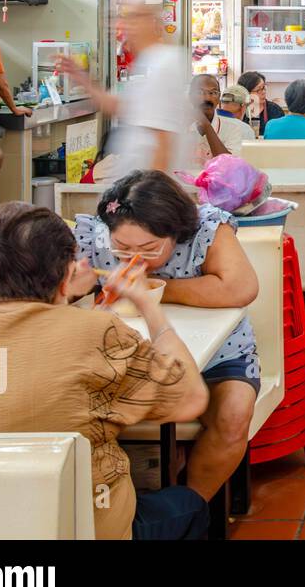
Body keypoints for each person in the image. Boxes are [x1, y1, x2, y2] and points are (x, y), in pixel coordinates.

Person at [0, 202, 211, 540]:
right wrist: (147, 307)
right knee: (188, 505)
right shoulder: (95, 332)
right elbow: (189, 399)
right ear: (66, 277)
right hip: (81, 527)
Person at [74, 170, 260, 505]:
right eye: (121, 248)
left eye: (148, 249)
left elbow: (240, 287)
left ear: (177, 232)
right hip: (121, 357)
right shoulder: (91, 236)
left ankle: (187, 507)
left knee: (232, 415)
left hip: (219, 353)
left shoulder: (207, 230)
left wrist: (154, 289)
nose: (133, 259)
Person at [57, 0, 191, 176]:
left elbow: (163, 139)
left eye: (134, 17)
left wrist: (153, 194)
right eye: (124, 17)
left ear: (152, 21)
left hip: (149, 184)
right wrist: (81, 79)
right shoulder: (145, 61)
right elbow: (120, 107)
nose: (126, 24)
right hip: (136, 179)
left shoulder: (164, 63)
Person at [189, 75, 254, 161]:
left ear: (219, 98)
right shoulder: (180, 125)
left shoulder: (232, 127)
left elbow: (228, 164)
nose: (207, 98)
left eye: (213, 93)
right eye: (200, 92)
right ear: (190, 96)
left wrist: (206, 125)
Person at [238, 71, 285, 136]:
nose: (263, 92)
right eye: (258, 90)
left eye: (264, 88)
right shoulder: (238, 111)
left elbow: (280, 135)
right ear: (246, 93)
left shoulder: (275, 110)